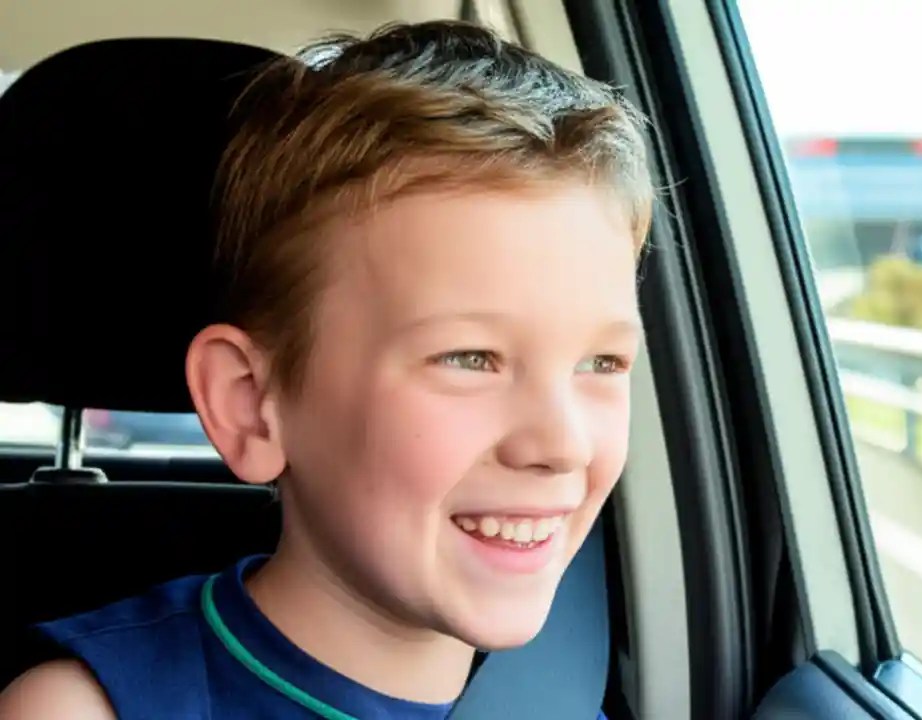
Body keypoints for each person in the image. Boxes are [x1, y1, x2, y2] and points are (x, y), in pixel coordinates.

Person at [0, 19, 651, 718]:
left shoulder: (579, 690)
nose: (562, 445)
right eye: (470, 359)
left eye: (601, 361)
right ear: (251, 402)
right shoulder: (81, 711)